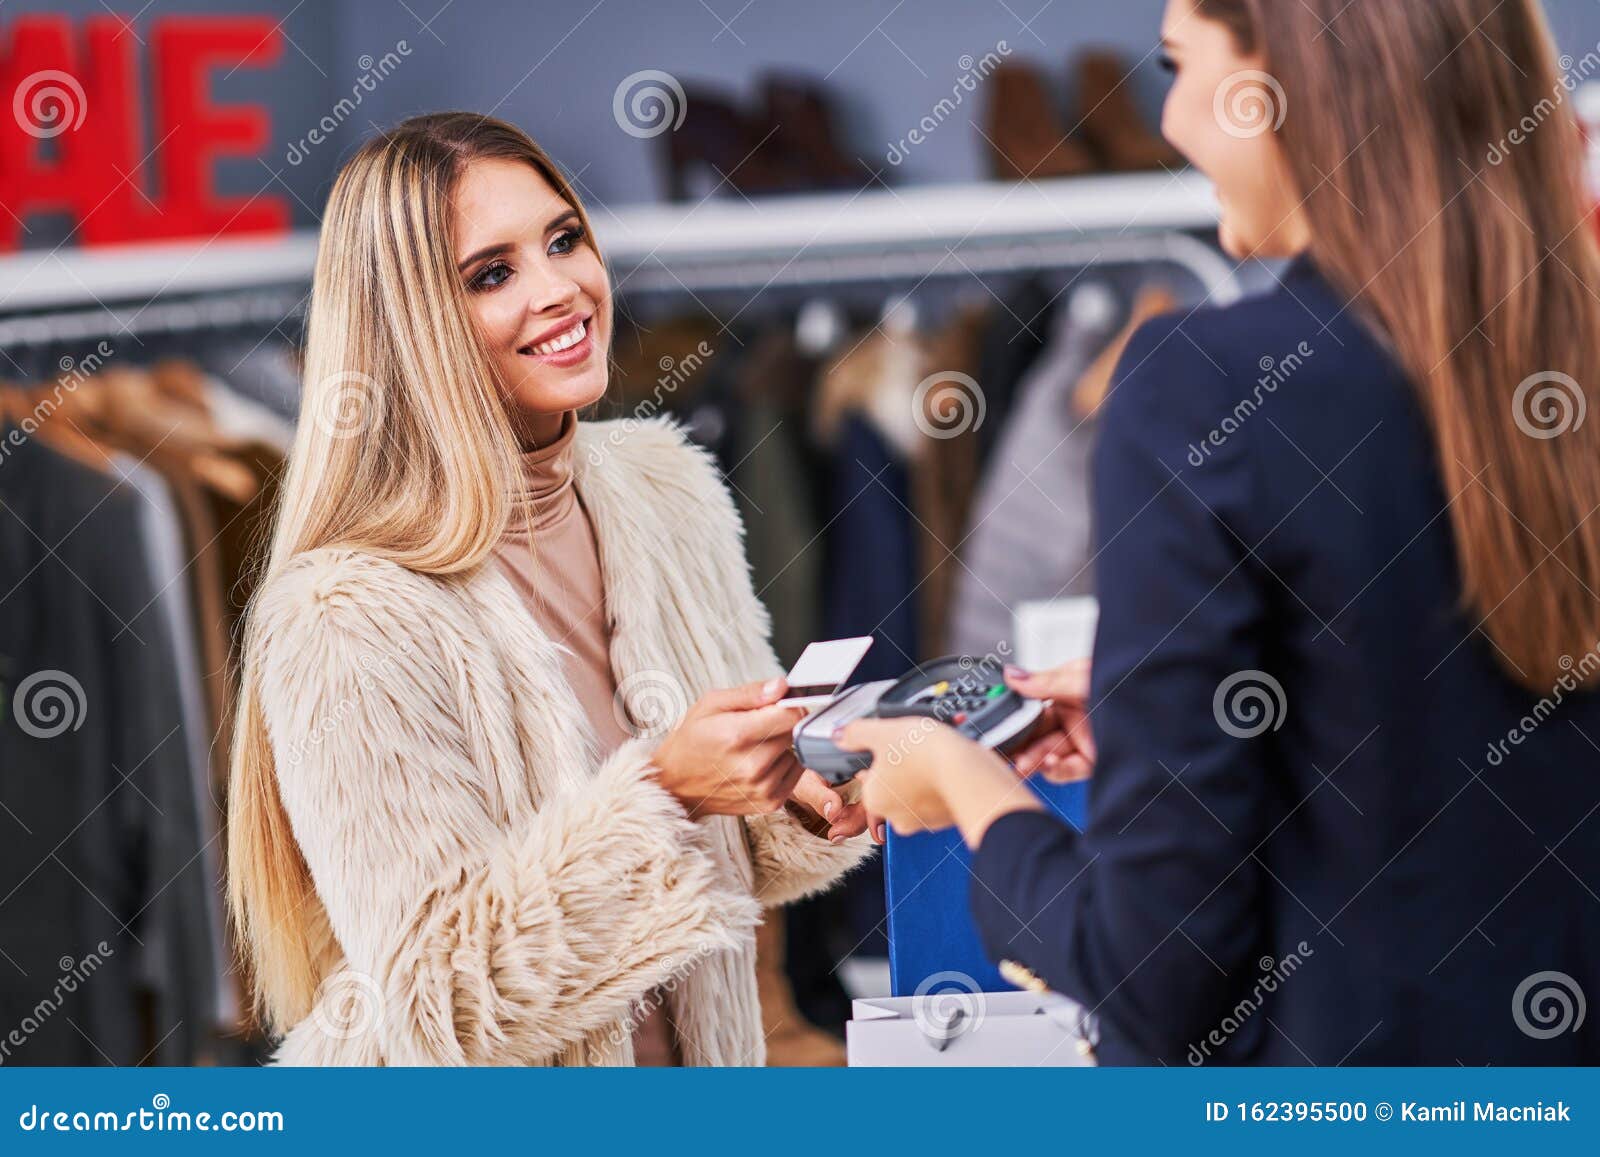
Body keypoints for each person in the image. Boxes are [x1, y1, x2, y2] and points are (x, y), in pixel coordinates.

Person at [843, 0, 1600, 1065]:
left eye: (1180, 67)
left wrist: (965, 785)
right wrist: (1164, 701)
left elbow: (1152, 983)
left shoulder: (1203, 383)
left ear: (1283, 87)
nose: (1174, 124)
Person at [226, 113, 875, 1067]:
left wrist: (799, 794)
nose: (561, 288)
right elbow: (439, 1008)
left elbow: (748, 858)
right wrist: (666, 792)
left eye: (564, 239)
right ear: (413, 325)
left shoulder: (666, 493)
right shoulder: (345, 613)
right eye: (493, 274)